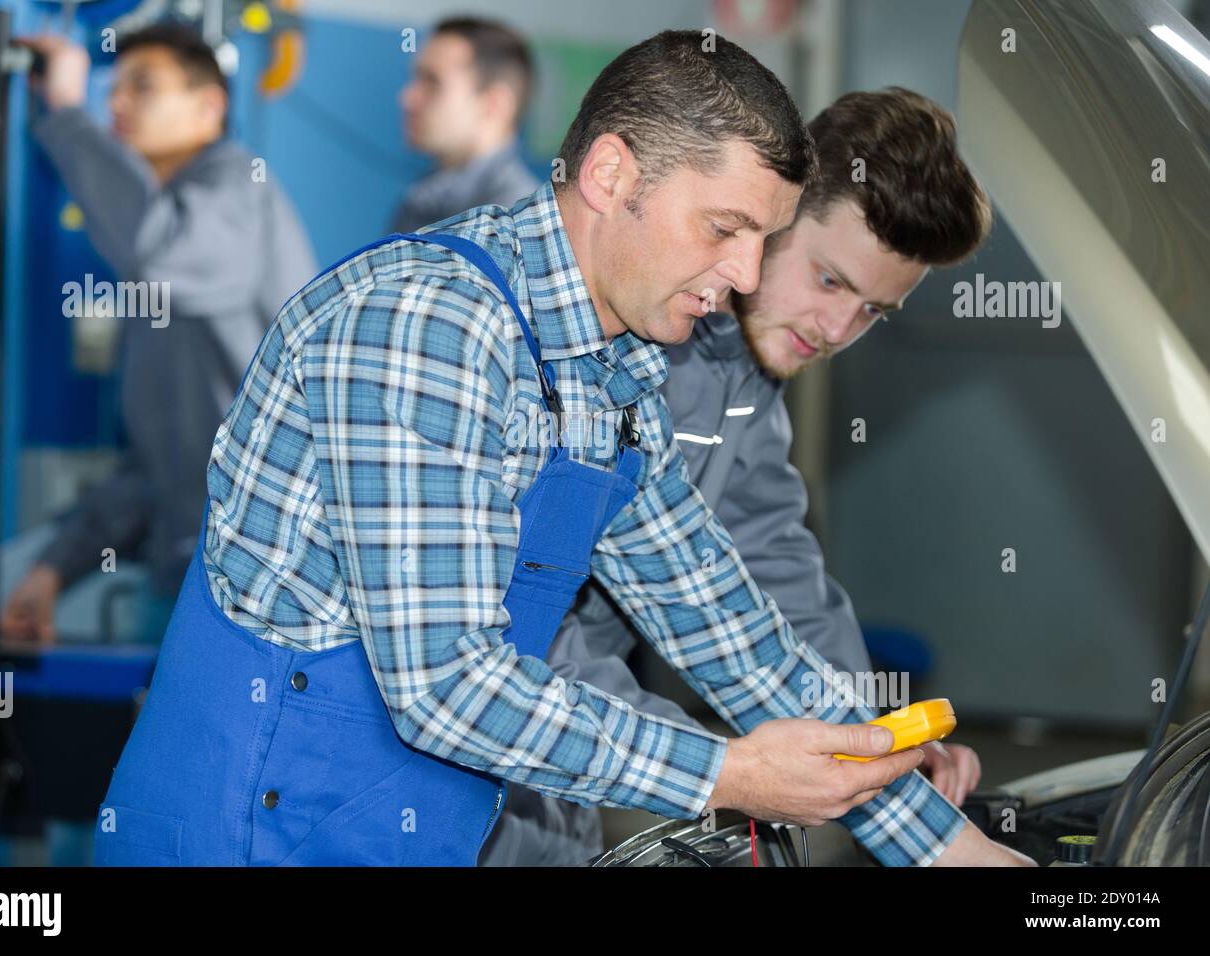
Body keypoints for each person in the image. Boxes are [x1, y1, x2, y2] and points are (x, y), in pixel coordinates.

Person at [94, 30, 1032, 867]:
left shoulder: (609, 373)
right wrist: (731, 773)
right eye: (726, 229)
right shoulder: (428, 324)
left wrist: (950, 850)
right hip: (247, 833)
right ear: (612, 175)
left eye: (765, 241)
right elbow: (447, 687)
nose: (746, 275)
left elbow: (729, 631)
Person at [479, 87, 994, 866]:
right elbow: (516, 625)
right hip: (475, 756)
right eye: (829, 281)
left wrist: (867, 743)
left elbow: (773, 565)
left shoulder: (745, 371)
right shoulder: (637, 343)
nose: (835, 331)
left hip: (568, 772)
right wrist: (737, 771)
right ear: (779, 211)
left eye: (872, 312)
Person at [0, 25, 317, 646]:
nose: (116, 103)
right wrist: (54, 568)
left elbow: (155, 252)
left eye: (142, 86)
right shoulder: (173, 230)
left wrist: (65, 115)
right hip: (188, 580)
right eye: (112, 88)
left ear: (209, 106)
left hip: (266, 595)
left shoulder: (236, 194)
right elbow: (153, 465)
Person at [392, 16, 539, 232]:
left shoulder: (519, 222)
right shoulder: (422, 201)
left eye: (432, 82)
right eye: (416, 78)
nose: (407, 97)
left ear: (494, 105)